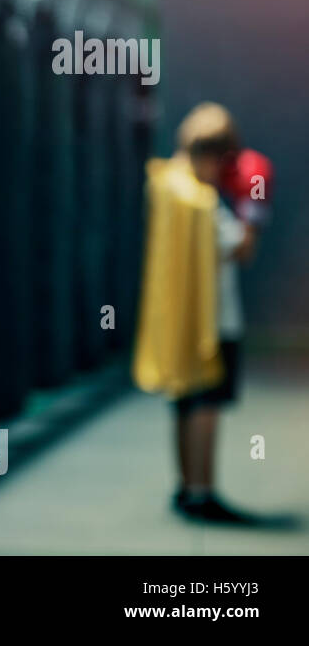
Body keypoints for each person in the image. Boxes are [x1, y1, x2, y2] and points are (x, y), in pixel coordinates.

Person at [132, 102, 258, 524]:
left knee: (183, 403)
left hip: (177, 321)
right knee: (206, 404)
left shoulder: (167, 184)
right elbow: (243, 249)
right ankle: (203, 491)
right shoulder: (202, 203)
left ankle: (186, 487)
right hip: (211, 321)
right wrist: (255, 207)